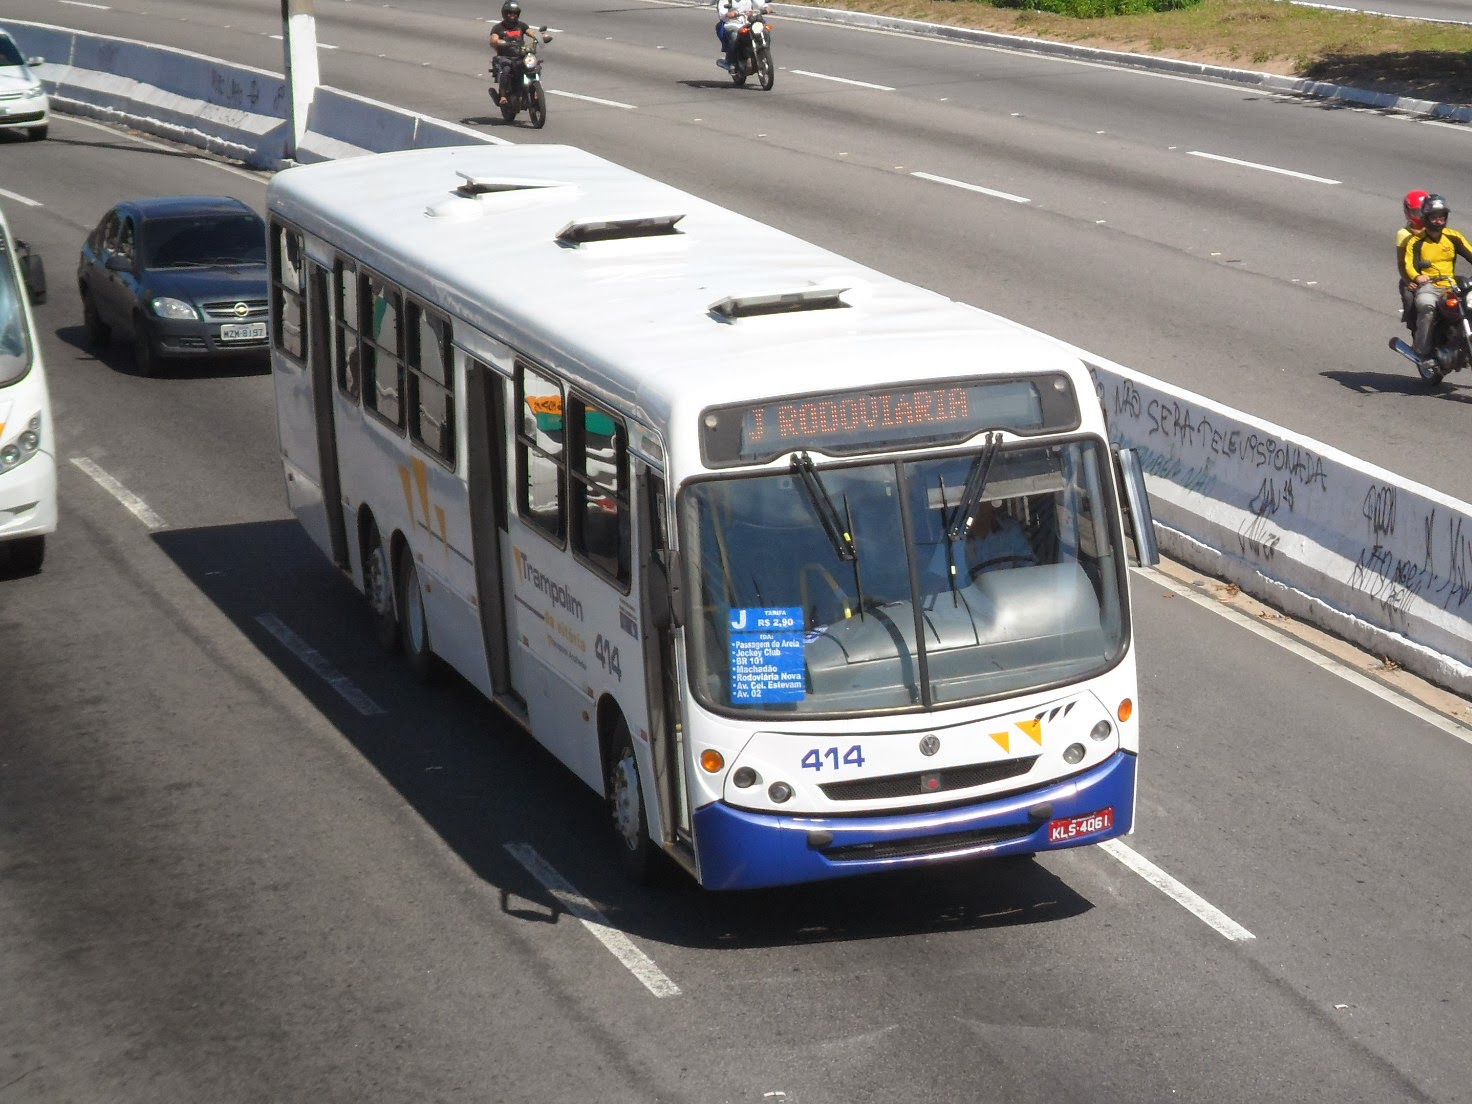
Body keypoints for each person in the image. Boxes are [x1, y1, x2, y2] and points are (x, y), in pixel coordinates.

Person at [1402, 193, 1472, 366]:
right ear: (1426, 218)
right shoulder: (1416, 241)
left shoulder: (1453, 237)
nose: (1439, 221)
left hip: (1451, 285)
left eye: (1442, 217)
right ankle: (1422, 351)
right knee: (1427, 307)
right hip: (1429, 286)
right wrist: (1418, 276)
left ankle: (1457, 342)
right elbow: (1408, 265)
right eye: (1434, 217)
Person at [489, 1, 534, 106]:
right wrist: (498, 41)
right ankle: (503, 96)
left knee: (533, 66)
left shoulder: (521, 25)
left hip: (520, 55)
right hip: (505, 57)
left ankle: (535, 90)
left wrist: (537, 37)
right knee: (506, 70)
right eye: (509, 13)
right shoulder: (498, 27)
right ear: (504, 13)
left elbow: (530, 32)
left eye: (514, 13)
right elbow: (493, 39)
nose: (512, 15)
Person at [1397, 189, 1429, 324]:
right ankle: (1414, 330)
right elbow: (1401, 262)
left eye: (1423, 212)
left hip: (1435, 276)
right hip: (1413, 278)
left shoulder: (1434, 230)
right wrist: (1408, 281)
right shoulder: (1403, 234)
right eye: (1416, 212)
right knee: (1411, 300)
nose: (1420, 216)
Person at [716, 0, 770, 72]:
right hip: (732, 24)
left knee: (764, 31)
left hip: (749, 22)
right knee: (735, 36)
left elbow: (761, 3)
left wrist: (766, 7)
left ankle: (763, 53)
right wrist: (730, 14)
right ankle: (732, 62)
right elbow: (722, 13)